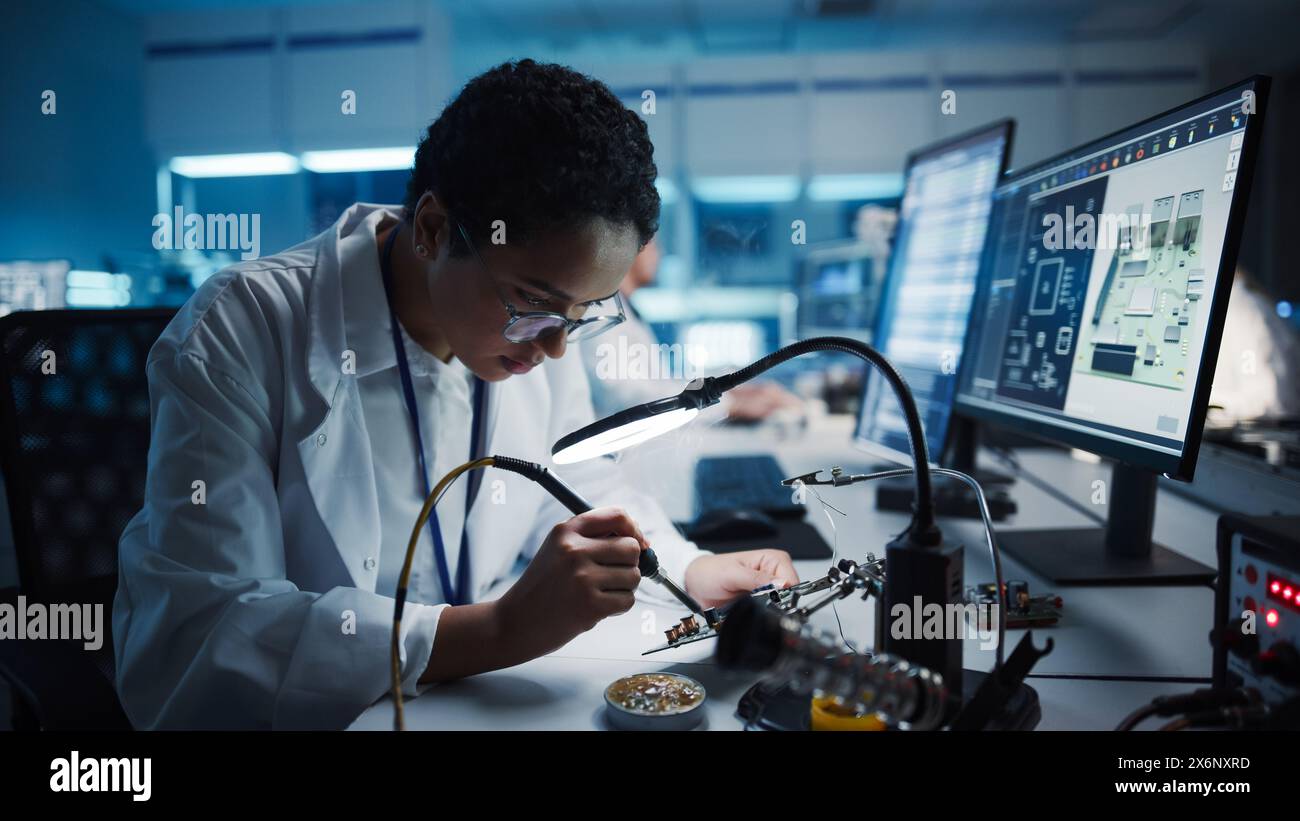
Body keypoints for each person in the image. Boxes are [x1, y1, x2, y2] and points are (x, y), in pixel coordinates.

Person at [113, 60, 798, 730]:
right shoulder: (242, 330)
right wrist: (498, 629)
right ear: (435, 231)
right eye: (536, 302)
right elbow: (207, 636)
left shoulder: (531, 333)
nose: (558, 347)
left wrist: (688, 566)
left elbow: (582, 487)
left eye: (586, 312)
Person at [582, 237, 804, 422]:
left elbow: (659, 385)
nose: (660, 256)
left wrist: (729, 389)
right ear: (633, 247)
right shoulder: (601, 309)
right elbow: (628, 399)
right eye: (656, 246)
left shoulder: (626, 307)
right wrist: (731, 405)